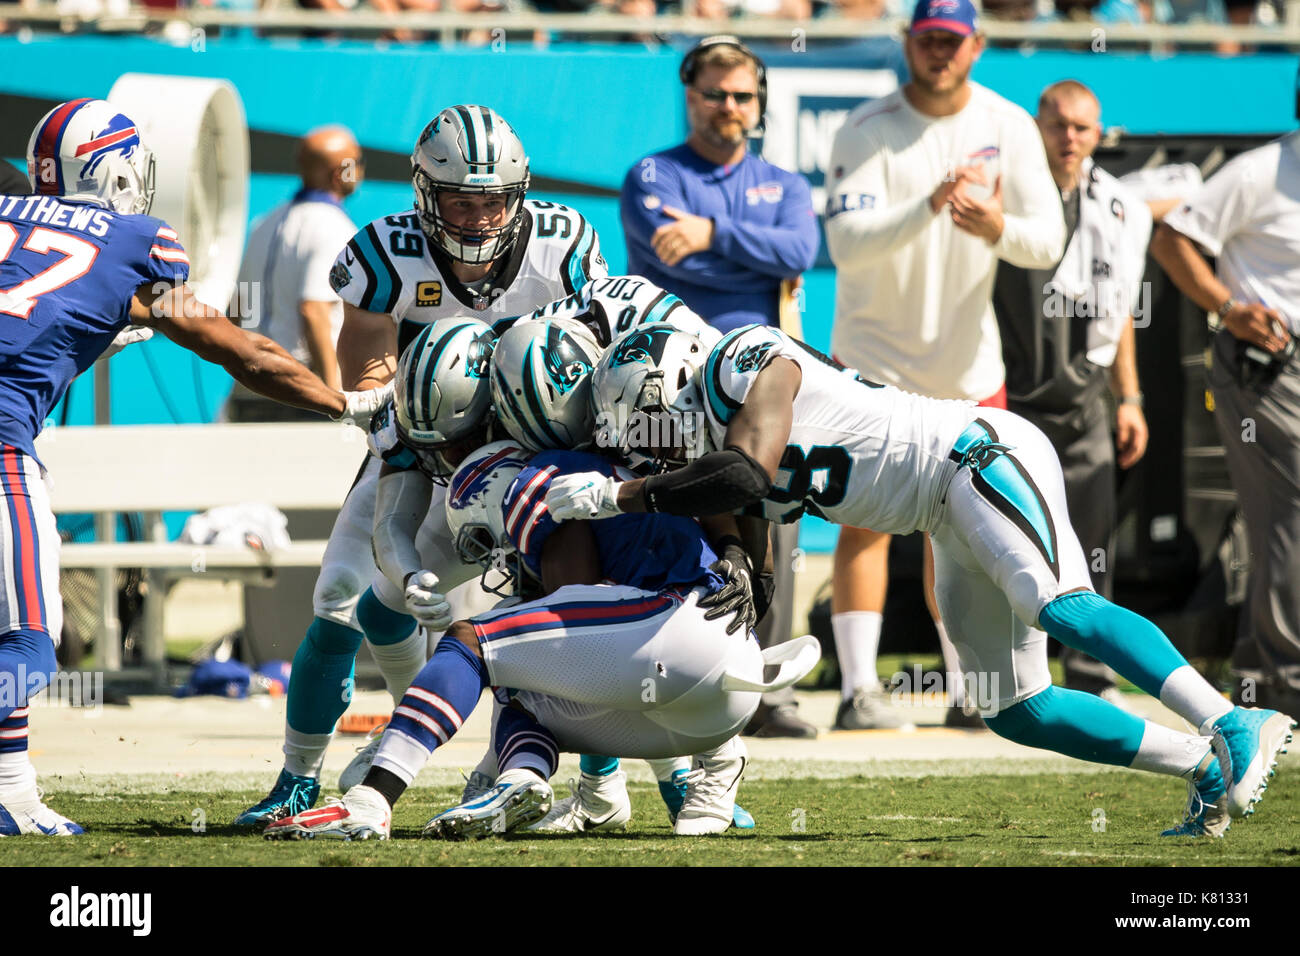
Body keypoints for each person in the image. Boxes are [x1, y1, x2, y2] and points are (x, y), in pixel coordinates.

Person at [547, 320, 1297, 837]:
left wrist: (622, 496)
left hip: (976, 454)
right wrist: (747, 579)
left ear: (673, 384)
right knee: (1014, 708)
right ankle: (1199, 766)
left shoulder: (744, 357)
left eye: (651, 429)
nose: (653, 452)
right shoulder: (710, 436)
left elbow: (745, 469)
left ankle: (1230, 719)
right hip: (941, 514)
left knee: (1052, 603)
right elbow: (749, 509)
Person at [0, 99, 386, 835]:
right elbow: (243, 352)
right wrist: (346, 406)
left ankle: (13, 790)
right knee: (25, 646)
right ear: (115, 173)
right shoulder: (134, 236)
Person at [235, 104, 609, 828]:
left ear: (519, 193)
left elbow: (584, 360)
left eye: (492, 199)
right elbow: (372, 375)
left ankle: (632, 781)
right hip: (427, 441)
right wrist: (407, 419)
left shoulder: (561, 245)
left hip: (532, 457)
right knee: (344, 598)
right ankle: (297, 777)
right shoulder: (385, 251)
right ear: (423, 193)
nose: (476, 217)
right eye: (460, 200)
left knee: (584, 605)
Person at [264, 441, 816, 840]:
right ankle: (537, 779)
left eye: (480, 535)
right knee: (527, 678)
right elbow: (584, 652)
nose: (486, 551)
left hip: (676, 637)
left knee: (472, 642)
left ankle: (372, 798)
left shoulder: (534, 486)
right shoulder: (619, 459)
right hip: (719, 690)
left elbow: (574, 602)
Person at [823, 0, 1065, 729]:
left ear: (977, 46)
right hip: (871, 363)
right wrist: (928, 204)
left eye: (952, 41)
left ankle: (970, 693)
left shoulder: (1009, 125)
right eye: (928, 39)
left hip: (967, 368)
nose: (940, 53)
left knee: (967, 534)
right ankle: (858, 691)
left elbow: (1046, 242)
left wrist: (996, 226)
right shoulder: (865, 129)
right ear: (908, 42)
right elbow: (847, 247)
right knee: (862, 524)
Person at [621, 35, 820, 739]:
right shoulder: (652, 173)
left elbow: (801, 251)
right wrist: (742, 254)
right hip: (674, 378)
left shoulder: (786, 184)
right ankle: (690, 686)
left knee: (774, 525)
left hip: (762, 385)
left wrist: (709, 232)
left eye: (742, 95)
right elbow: (658, 255)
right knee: (686, 523)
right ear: (690, 96)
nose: (729, 107)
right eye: (715, 93)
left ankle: (768, 694)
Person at [994, 80, 1151, 702]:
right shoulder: (1004, 194)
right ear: (1038, 124)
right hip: (1006, 398)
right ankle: (1002, 677)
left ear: (1098, 134)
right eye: (1058, 124)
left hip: (1084, 398)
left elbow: (1119, 320)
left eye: (1082, 128)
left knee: (1089, 546)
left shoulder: (1117, 209)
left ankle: (1091, 673)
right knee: (997, 538)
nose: (1069, 138)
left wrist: (1130, 398)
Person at [1150, 100, 1300, 719]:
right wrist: (1227, 306)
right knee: (1294, 508)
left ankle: (1261, 675)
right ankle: (1286, 676)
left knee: (1280, 518)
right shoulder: (1262, 170)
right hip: (1266, 365)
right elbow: (1171, 237)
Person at [226, 126, 363, 422]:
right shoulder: (333, 228)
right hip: (301, 391)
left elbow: (239, 309)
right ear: (342, 172)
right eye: (358, 163)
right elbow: (313, 312)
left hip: (250, 386)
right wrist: (333, 399)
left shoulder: (263, 225)